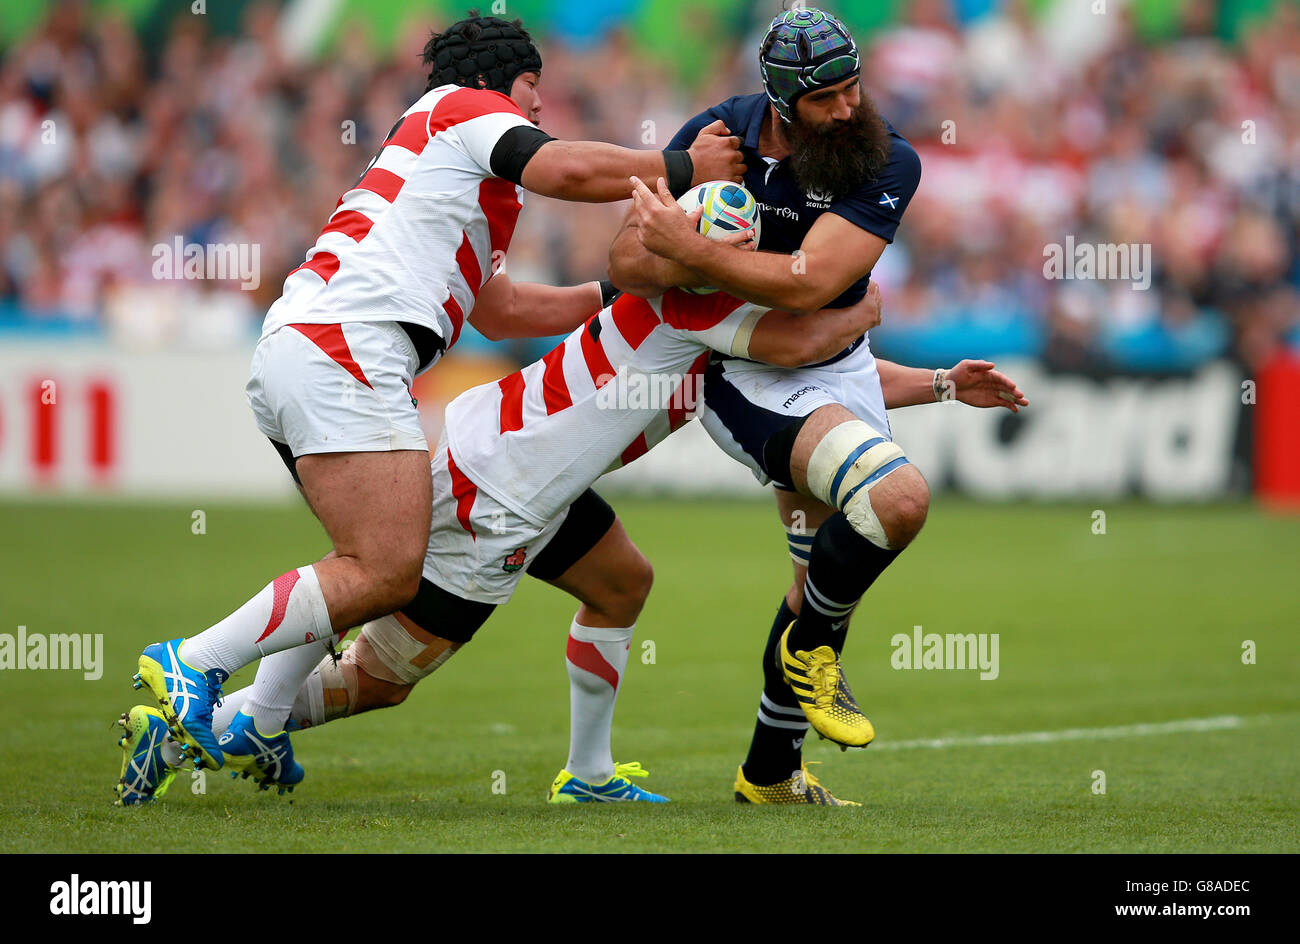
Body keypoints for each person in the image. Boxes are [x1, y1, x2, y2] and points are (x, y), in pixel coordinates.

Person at [126, 10, 744, 786]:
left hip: (316, 347)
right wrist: (683, 167)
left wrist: (610, 289)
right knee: (386, 570)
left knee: (365, 567)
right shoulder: (462, 106)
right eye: (531, 87)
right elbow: (567, 171)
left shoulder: (452, 173)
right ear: (494, 79)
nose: (538, 106)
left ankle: (250, 717)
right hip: (347, 347)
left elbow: (502, 312)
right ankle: (194, 663)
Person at [116, 275, 884, 804]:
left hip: (511, 457)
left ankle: (587, 772)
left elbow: (824, 377)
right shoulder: (707, 313)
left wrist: (945, 382)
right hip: (503, 499)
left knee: (622, 583)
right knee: (381, 675)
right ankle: (198, 731)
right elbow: (798, 350)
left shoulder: (686, 310)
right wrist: (861, 306)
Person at [609, 7, 1027, 803]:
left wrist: (939, 384)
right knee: (896, 501)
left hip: (833, 369)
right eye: (826, 98)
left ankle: (769, 776)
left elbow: (812, 284)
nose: (848, 108)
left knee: (819, 587)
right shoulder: (717, 140)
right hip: (741, 377)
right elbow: (626, 258)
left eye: (853, 87)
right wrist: (681, 235)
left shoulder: (885, 159)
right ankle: (810, 652)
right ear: (779, 99)